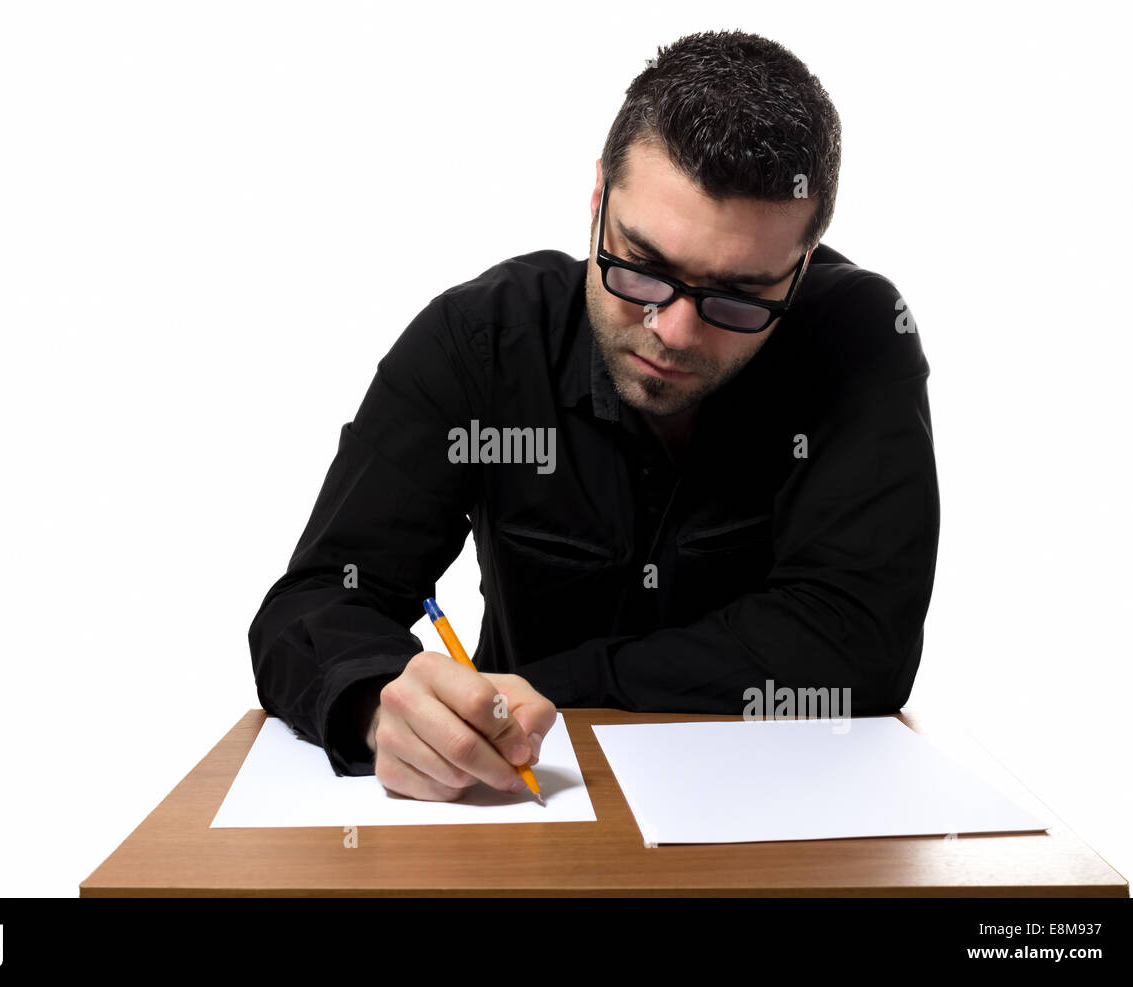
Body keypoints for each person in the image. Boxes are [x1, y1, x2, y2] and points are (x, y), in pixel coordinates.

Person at [248, 29, 939, 802]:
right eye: (642, 269)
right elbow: (312, 603)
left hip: (783, 823)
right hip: (528, 812)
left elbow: (859, 646)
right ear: (598, 198)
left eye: (737, 296)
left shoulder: (856, 339)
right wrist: (379, 704)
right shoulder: (479, 345)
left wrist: (557, 679)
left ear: (801, 266)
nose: (673, 333)